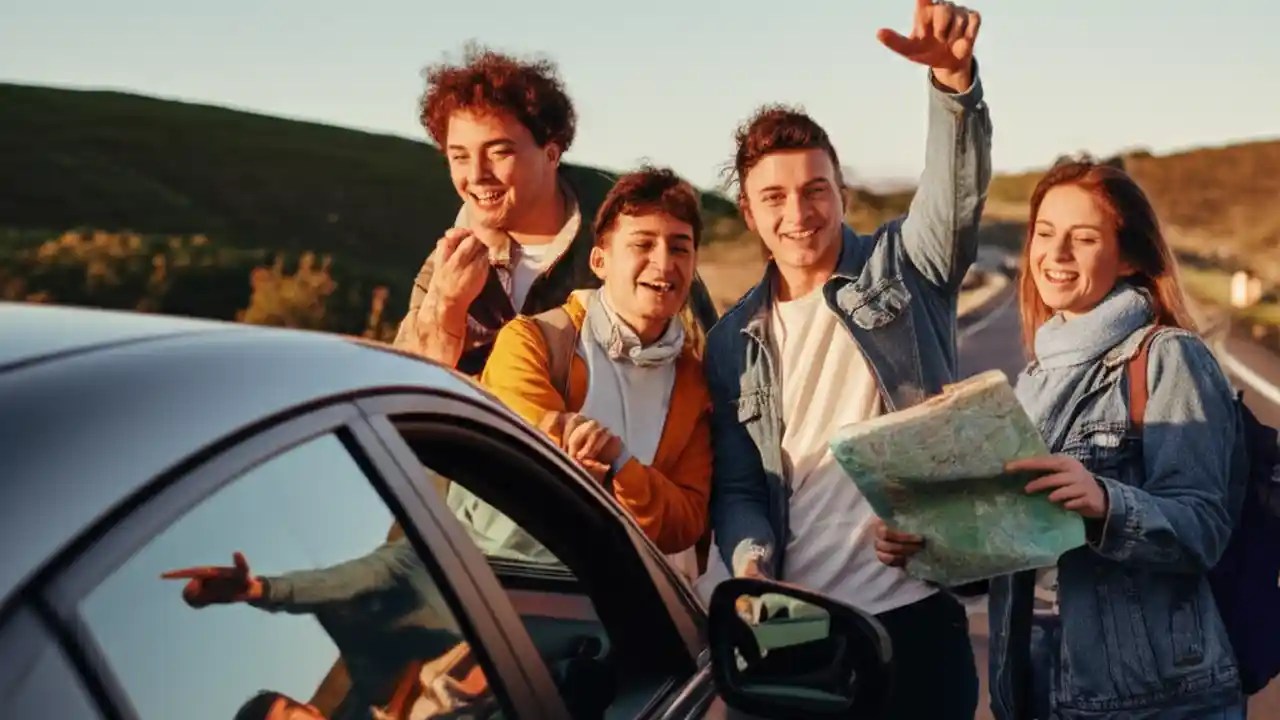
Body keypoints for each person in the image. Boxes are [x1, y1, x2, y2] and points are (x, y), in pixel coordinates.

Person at [700, 1, 992, 717]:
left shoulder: (905, 268)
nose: (797, 212)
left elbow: (952, 201)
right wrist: (749, 564)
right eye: (774, 196)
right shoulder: (732, 339)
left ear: (841, 194)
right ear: (747, 210)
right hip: (798, 621)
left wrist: (953, 84)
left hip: (916, 605)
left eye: (813, 190)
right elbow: (740, 486)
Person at [881, 160, 1248, 719]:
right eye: (1046, 234)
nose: (1057, 255)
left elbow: (1203, 527)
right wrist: (929, 546)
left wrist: (1107, 504)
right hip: (1031, 685)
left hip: (1151, 700)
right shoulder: (1033, 381)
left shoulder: (1168, 356)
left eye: (1083, 238)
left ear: (1127, 257)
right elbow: (1015, 549)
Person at [395, 46, 717, 375]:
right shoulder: (446, 264)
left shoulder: (628, 248)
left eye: (499, 152)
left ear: (551, 154)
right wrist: (448, 306)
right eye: (460, 156)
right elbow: (407, 386)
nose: (476, 174)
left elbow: (708, 371)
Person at [473, 166, 713, 580]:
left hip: (626, 607)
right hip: (510, 587)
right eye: (643, 244)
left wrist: (618, 462)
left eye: (680, 248)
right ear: (599, 261)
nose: (663, 263)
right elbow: (535, 470)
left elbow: (686, 520)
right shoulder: (532, 342)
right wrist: (641, 482)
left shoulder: (694, 381)